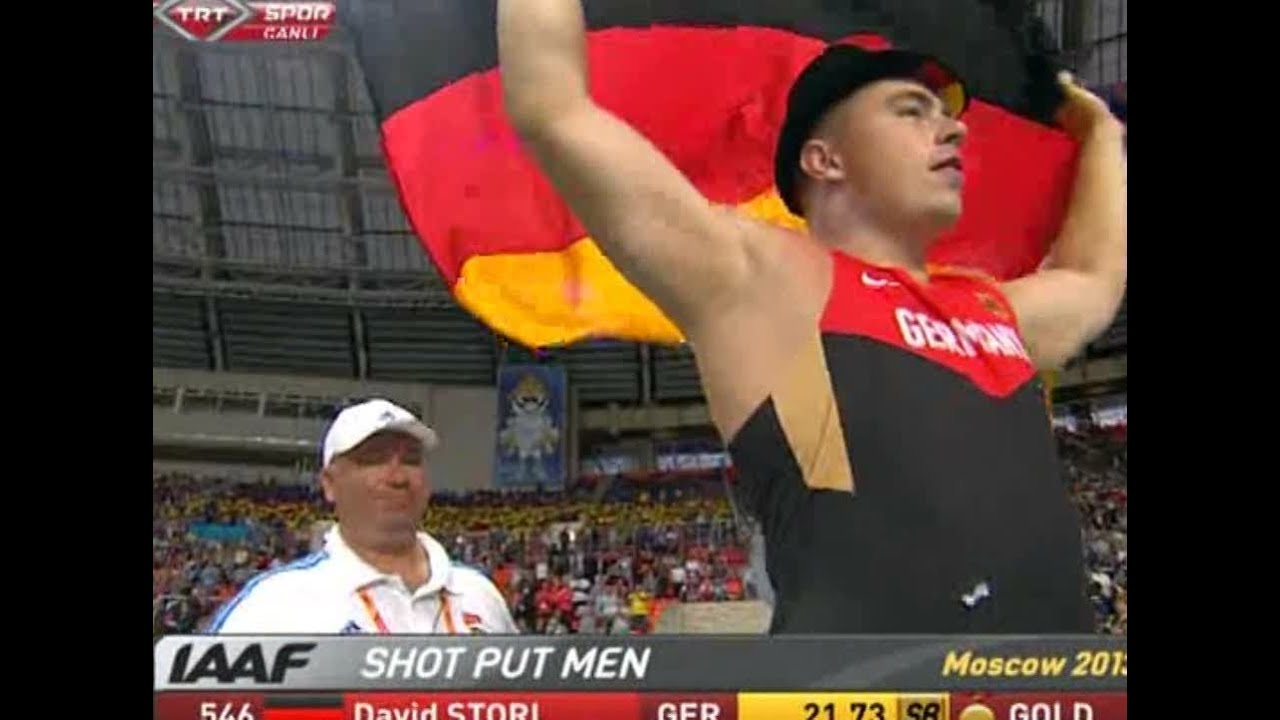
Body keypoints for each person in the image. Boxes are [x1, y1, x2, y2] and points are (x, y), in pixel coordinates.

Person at [497, 0, 1125, 633]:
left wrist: (1102, 136)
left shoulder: (989, 306)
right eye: (911, 110)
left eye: (947, 115)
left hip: (1055, 692)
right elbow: (555, 112)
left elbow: (1094, 278)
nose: (955, 130)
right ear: (825, 159)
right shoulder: (761, 281)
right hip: (858, 692)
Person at [206, 399, 518, 634]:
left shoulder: (480, 595)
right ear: (329, 484)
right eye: (373, 461)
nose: (397, 477)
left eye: (410, 460)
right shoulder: (273, 606)